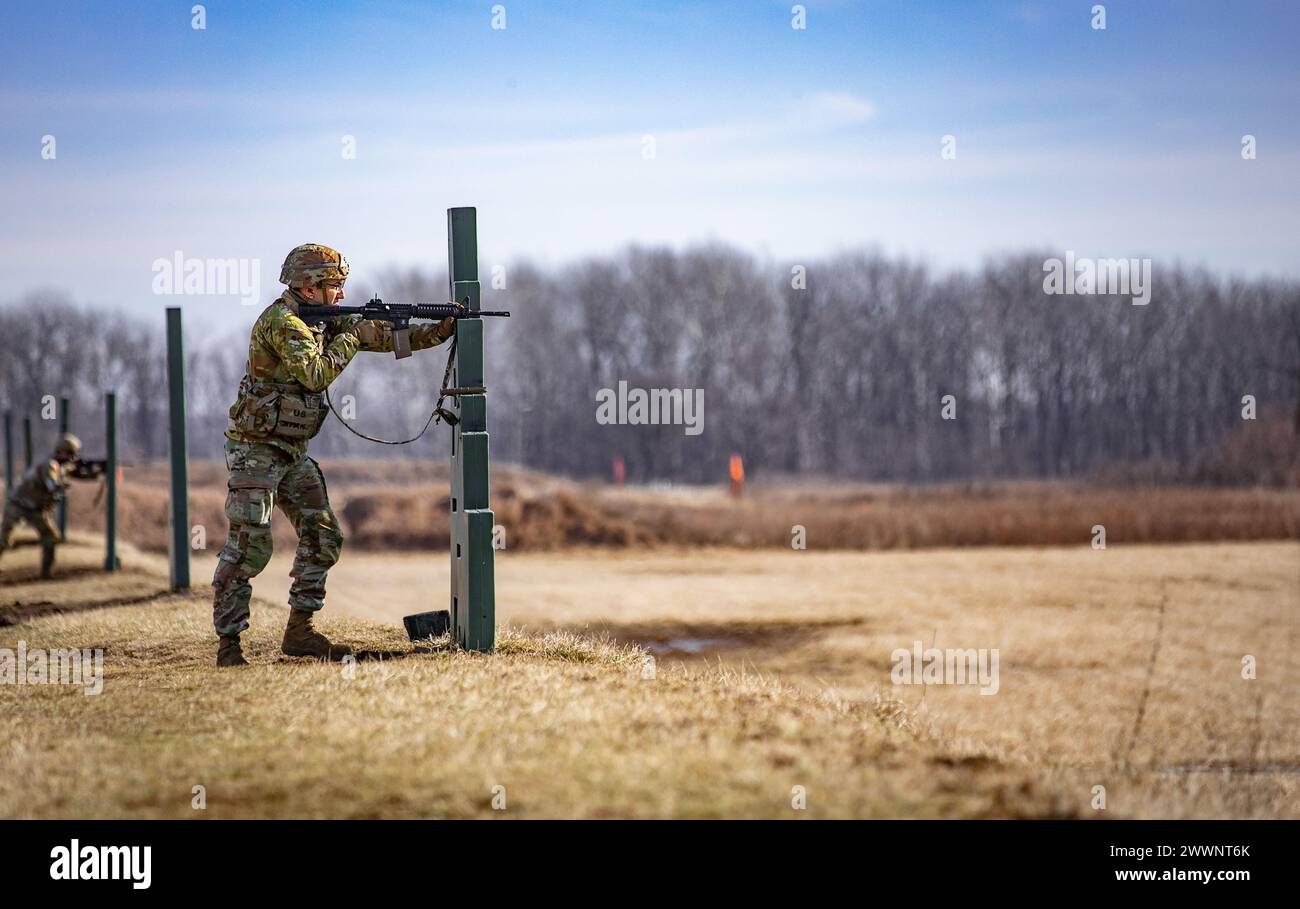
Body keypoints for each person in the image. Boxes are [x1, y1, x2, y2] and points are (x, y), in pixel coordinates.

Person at [212, 244, 455, 668]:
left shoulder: (322, 319)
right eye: (334, 286)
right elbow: (315, 373)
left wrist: (439, 331)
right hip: (255, 452)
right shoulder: (282, 323)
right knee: (251, 547)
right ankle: (229, 646)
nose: (342, 295)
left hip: (290, 452)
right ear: (309, 289)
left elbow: (383, 338)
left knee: (324, 536)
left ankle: (300, 633)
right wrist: (351, 336)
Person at [0, 433, 105, 578]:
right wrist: (66, 483)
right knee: (4, 540)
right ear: (61, 452)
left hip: (36, 508)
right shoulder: (49, 466)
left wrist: (94, 473)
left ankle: (46, 574)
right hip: (18, 505)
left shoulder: (61, 467)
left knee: (51, 537)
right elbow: (52, 486)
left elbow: (75, 473)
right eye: (70, 454)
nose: (72, 458)